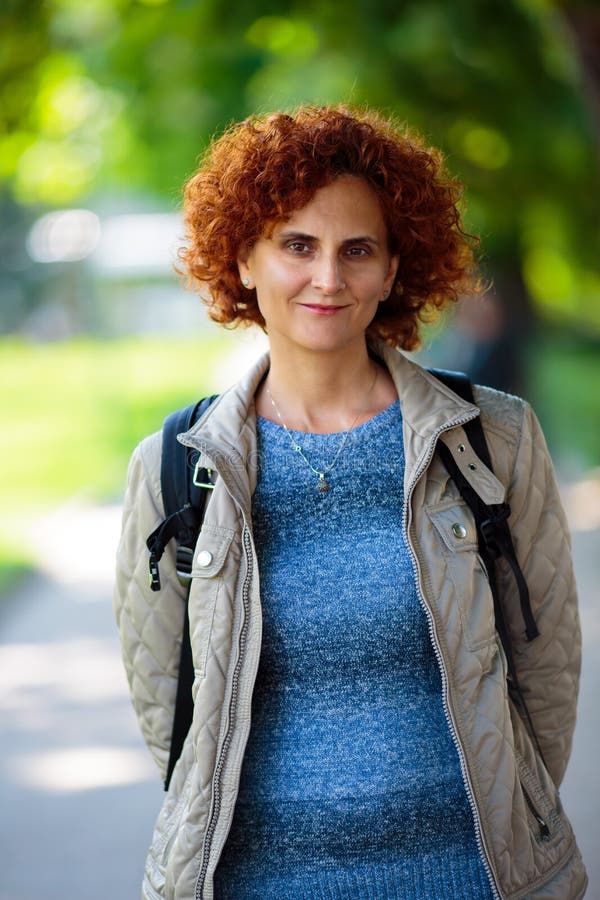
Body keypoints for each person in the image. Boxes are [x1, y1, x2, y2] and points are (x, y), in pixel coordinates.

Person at [114, 105, 587, 900]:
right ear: (245, 260)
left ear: (395, 268)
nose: (328, 278)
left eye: (357, 250)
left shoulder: (493, 438)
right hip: (258, 882)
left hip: (469, 878)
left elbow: (546, 669)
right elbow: (169, 698)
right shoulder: (175, 464)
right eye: (298, 245)